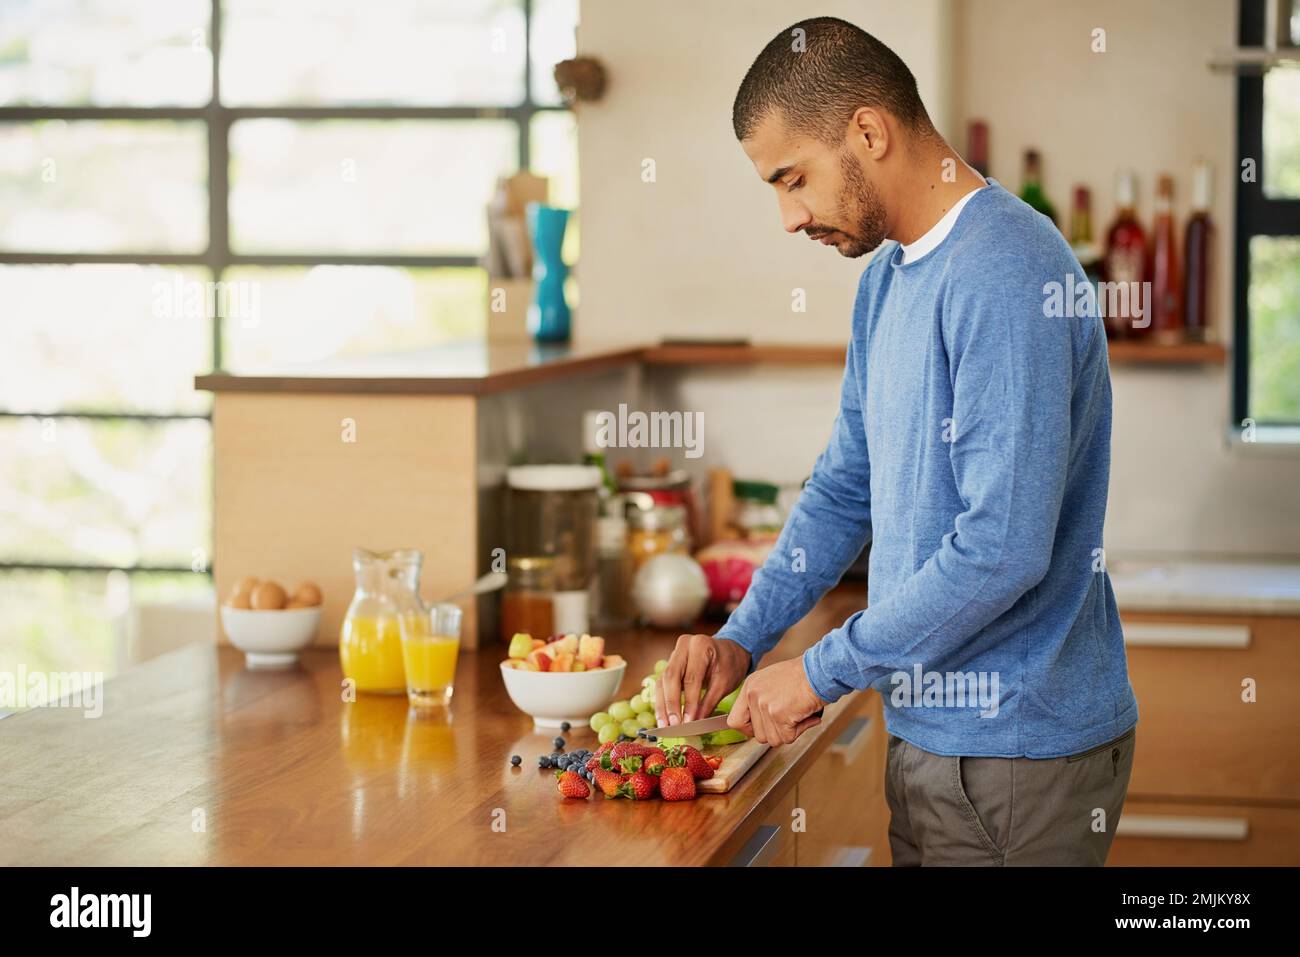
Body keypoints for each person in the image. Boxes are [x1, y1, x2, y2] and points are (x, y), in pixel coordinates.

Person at [653, 16, 1138, 866]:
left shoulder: (1004, 272)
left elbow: (1001, 549)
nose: (788, 216)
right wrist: (744, 636)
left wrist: (820, 669)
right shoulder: (888, 279)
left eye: (793, 178)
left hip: (1013, 750)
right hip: (933, 734)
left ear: (869, 132)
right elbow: (846, 485)